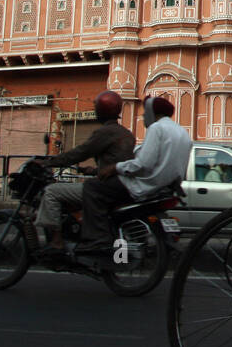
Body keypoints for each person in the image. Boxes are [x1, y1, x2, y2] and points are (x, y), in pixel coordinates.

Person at [75, 95, 191, 264]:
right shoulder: (182, 132)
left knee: (92, 188)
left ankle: (97, 240)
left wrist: (115, 167)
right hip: (165, 187)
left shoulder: (157, 129)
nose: (143, 116)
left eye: (145, 113)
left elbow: (143, 163)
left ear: (153, 113)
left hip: (142, 185)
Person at [33, 91, 134, 253]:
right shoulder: (126, 133)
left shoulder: (105, 132)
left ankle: (57, 242)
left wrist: (48, 162)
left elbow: (80, 153)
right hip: (120, 185)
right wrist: (93, 170)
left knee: (51, 192)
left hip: (106, 188)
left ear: (101, 110)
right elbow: (115, 164)